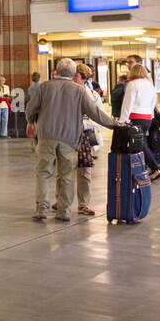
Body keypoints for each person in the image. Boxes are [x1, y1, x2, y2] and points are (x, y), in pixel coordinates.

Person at [26, 58, 117, 221]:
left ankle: (41, 208)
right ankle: (64, 211)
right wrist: (114, 124)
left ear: (57, 71)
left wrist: (31, 121)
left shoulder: (45, 87)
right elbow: (95, 113)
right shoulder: (79, 90)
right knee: (67, 175)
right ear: (73, 73)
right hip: (69, 139)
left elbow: (30, 109)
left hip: (46, 137)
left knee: (43, 173)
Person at [118, 63, 160, 180]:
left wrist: (122, 120)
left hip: (135, 117)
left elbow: (127, 103)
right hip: (147, 117)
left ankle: (155, 167)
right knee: (141, 142)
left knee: (141, 144)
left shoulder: (132, 84)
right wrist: (151, 115)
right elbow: (154, 101)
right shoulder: (149, 84)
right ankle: (145, 167)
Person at [72, 63, 101, 216]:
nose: (72, 77)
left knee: (84, 171)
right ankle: (62, 199)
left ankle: (83, 204)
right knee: (63, 170)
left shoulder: (92, 94)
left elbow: (98, 116)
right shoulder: (66, 93)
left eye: (76, 75)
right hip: (67, 135)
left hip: (83, 136)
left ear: (83, 78)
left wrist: (83, 123)